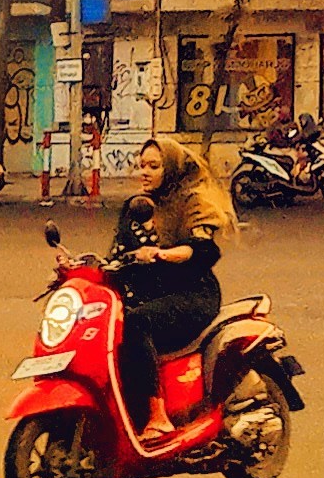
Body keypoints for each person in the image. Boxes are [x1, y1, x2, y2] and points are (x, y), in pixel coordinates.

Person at [91, 134, 232, 448]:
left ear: (169, 169)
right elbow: (118, 253)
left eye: (154, 166)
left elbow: (204, 250)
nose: (145, 172)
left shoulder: (191, 202)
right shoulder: (135, 207)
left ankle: (158, 417)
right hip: (149, 293)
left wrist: (162, 253)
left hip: (192, 294)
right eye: (142, 165)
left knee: (138, 323)